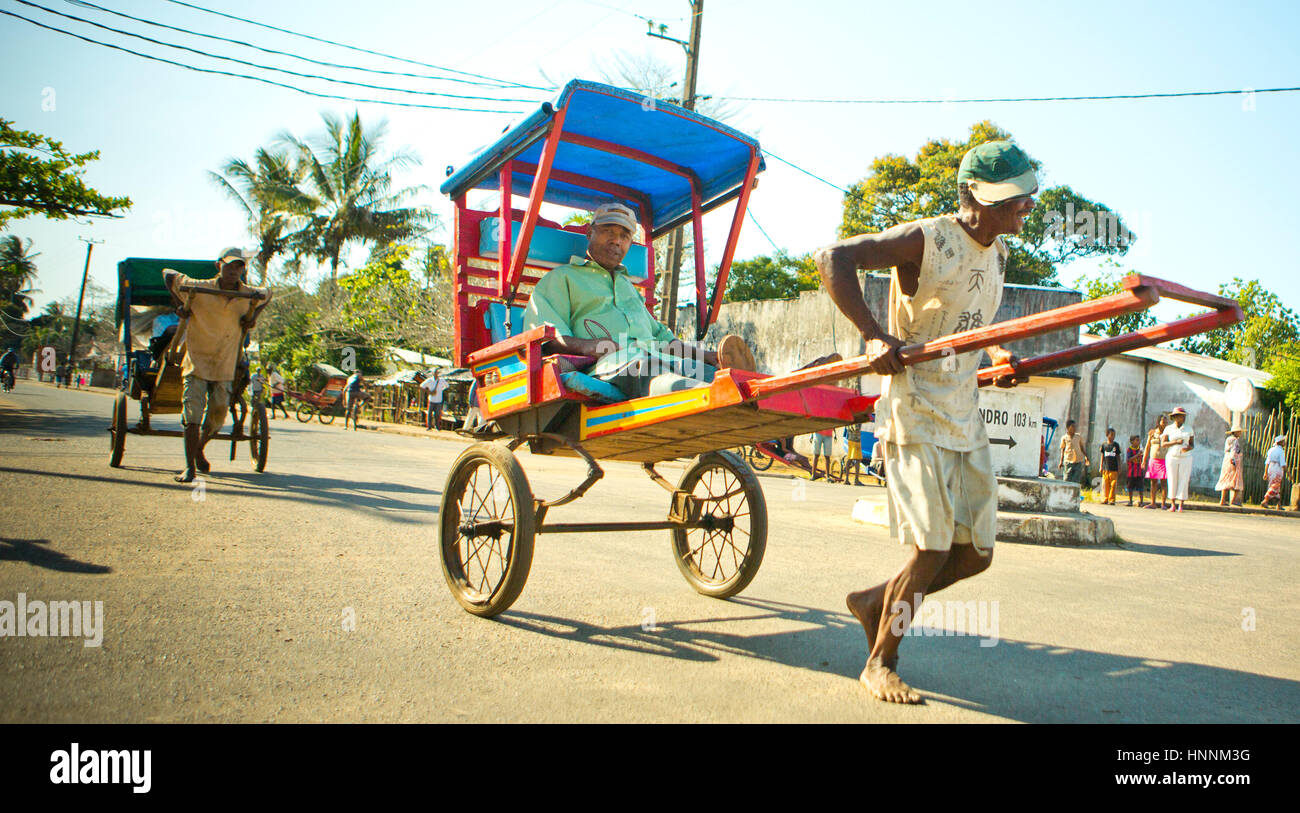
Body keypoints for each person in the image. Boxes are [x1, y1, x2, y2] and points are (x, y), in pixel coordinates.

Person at [816, 139, 1032, 704]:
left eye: (1027, 197)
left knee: (975, 553)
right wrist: (871, 333)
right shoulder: (926, 238)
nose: (1022, 207)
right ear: (972, 197)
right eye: (1011, 198)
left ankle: (874, 602)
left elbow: (970, 324)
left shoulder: (1000, 254)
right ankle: (880, 662)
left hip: (962, 408)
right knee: (932, 547)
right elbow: (833, 258)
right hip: (913, 405)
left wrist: (998, 358)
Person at [524, 201, 759, 401]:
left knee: (714, 373)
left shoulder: (629, 289)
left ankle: (751, 397)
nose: (617, 241)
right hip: (616, 366)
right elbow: (548, 336)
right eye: (608, 231)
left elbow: (663, 340)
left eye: (625, 236)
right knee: (653, 372)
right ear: (589, 233)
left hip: (660, 358)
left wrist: (705, 355)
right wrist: (588, 346)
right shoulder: (561, 278)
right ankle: (712, 399)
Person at [162, 247, 269, 483]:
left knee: (217, 417)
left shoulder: (249, 295)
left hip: (225, 364)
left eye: (239, 266)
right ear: (218, 265)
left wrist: (253, 318)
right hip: (197, 361)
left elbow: (268, 294)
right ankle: (189, 467)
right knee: (192, 415)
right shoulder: (199, 288)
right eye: (229, 265)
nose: (233, 270)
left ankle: (199, 447)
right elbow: (168, 273)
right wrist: (178, 303)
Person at [1160, 406, 1194, 511]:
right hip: (1172, 457)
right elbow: (1163, 444)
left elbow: (1192, 444)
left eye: (1183, 417)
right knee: (1172, 479)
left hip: (1185, 457)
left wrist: (1188, 448)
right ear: (1174, 417)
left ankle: (1181, 504)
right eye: (1179, 416)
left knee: (1184, 480)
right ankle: (1173, 504)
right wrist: (1175, 442)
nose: (1181, 418)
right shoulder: (1169, 429)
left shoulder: (1189, 429)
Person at [1143, 414, 1170, 509]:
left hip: (1164, 460)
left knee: (1163, 482)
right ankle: (1153, 503)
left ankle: (1163, 503)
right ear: (1159, 422)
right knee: (1153, 482)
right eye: (1164, 422)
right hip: (1153, 460)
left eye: (1167, 422)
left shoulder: (1168, 434)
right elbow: (1147, 448)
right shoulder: (1152, 433)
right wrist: (1144, 461)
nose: (1165, 424)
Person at [1215, 427, 1245, 507]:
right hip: (1233, 459)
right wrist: (1233, 461)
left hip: (1227, 459)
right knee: (1235, 479)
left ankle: (1223, 500)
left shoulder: (1228, 439)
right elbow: (1234, 451)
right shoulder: (1235, 440)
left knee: (1226, 478)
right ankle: (1234, 500)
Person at [1058, 419, 1090, 493]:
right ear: (1068, 427)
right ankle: (1065, 493)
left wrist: (1086, 457)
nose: (1074, 428)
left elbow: (1082, 448)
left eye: (1075, 426)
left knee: (1076, 480)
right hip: (1068, 461)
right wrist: (1061, 461)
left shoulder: (1078, 437)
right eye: (1072, 426)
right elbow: (1062, 450)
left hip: (1078, 461)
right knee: (1066, 479)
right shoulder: (1064, 438)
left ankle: (1074, 494)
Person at [1263, 435, 1287, 508]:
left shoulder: (1271, 450)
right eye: (1283, 441)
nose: (1285, 443)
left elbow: (1267, 462)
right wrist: (1288, 472)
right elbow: (1283, 463)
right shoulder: (1281, 451)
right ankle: (1265, 501)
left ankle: (1278, 505)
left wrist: (1265, 472)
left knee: (1274, 485)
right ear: (1280, 442)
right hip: (1277, 469)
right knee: (1275, 486)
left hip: (1271, 468)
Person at [1099, 427, 1120, 505]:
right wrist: (1101, 466)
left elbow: (1118, 457)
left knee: (1113, 484)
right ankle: (1105, 498)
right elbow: (1102, 456)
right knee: (1106, 485)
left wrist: (1119, 467)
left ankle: (1112, 499)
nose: (1113, 437)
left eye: (1114, 435)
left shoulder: (1116, 445)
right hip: (1106, 468)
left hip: (1114, 469)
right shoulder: (1104, 445)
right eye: (1111, 435)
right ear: (1107, 435)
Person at [1125, 434, 1146, 506]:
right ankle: (1130, 501)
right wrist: (1137, 455)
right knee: (1130, 487)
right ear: (1132, 441)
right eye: (1137, 440)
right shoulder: (1129, 450)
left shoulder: (1140, 449)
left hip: (1139, 471)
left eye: (1139, 440)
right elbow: (1129, 459)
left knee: (1140, 487)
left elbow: (1143, 458)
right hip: (1131, 472)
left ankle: (1141, 501)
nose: (1138, 442)